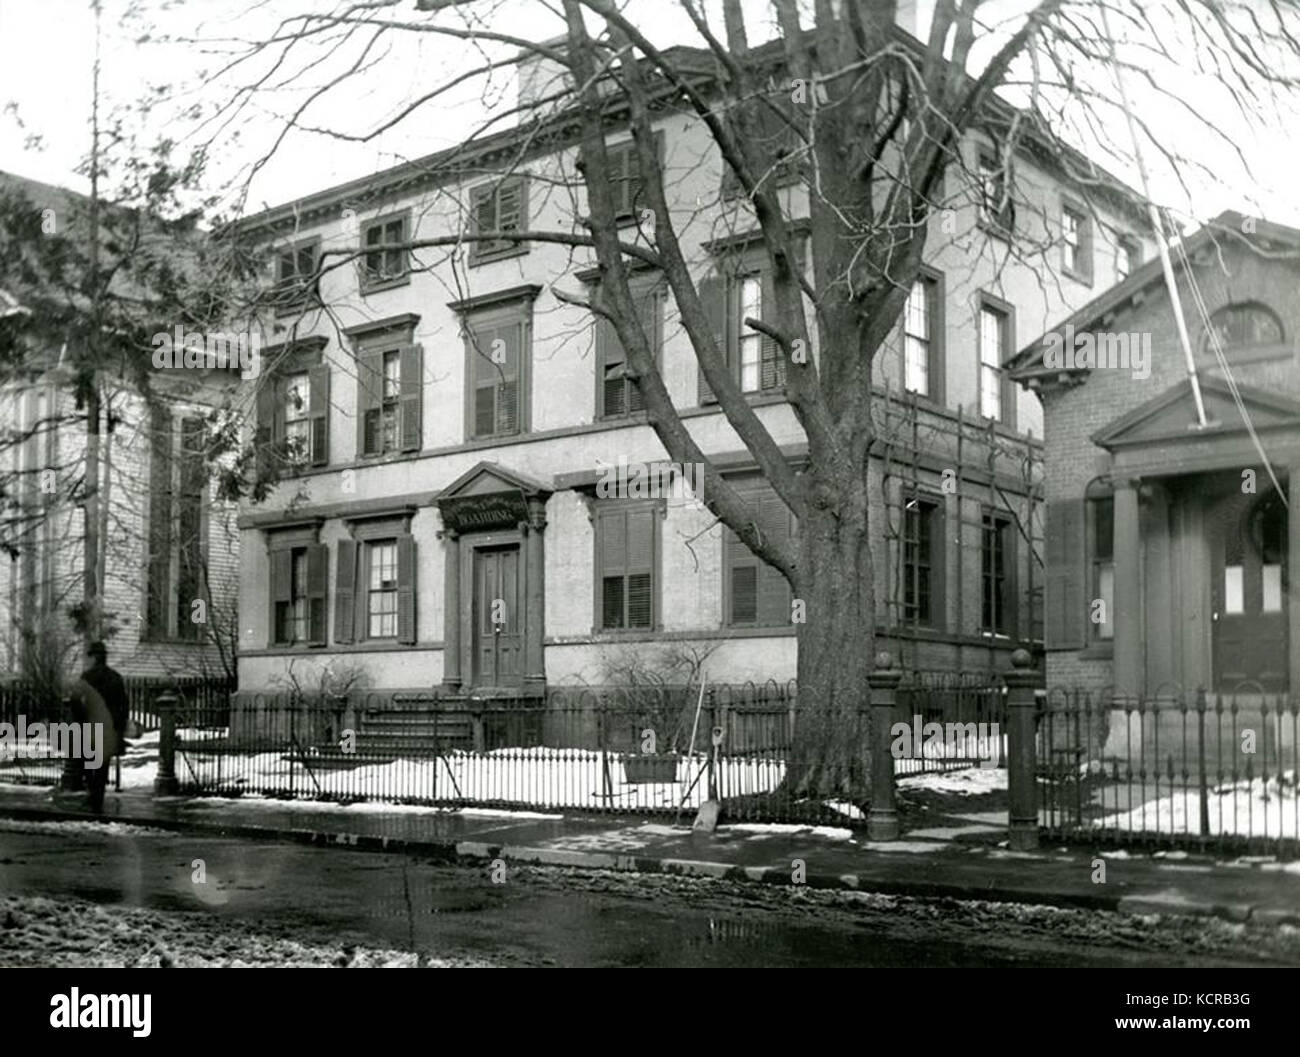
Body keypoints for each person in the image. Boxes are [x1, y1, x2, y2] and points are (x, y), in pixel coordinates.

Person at [71, 642, 129, 815]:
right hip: (109, 727)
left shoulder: (87, 677)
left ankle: (92, 795)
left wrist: (80, 719)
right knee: (103, 765)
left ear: (94, 657)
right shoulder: (115, 678)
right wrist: (119, 725)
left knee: (87, 762)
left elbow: (75, 700)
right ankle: (98, 798)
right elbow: (123, 705)